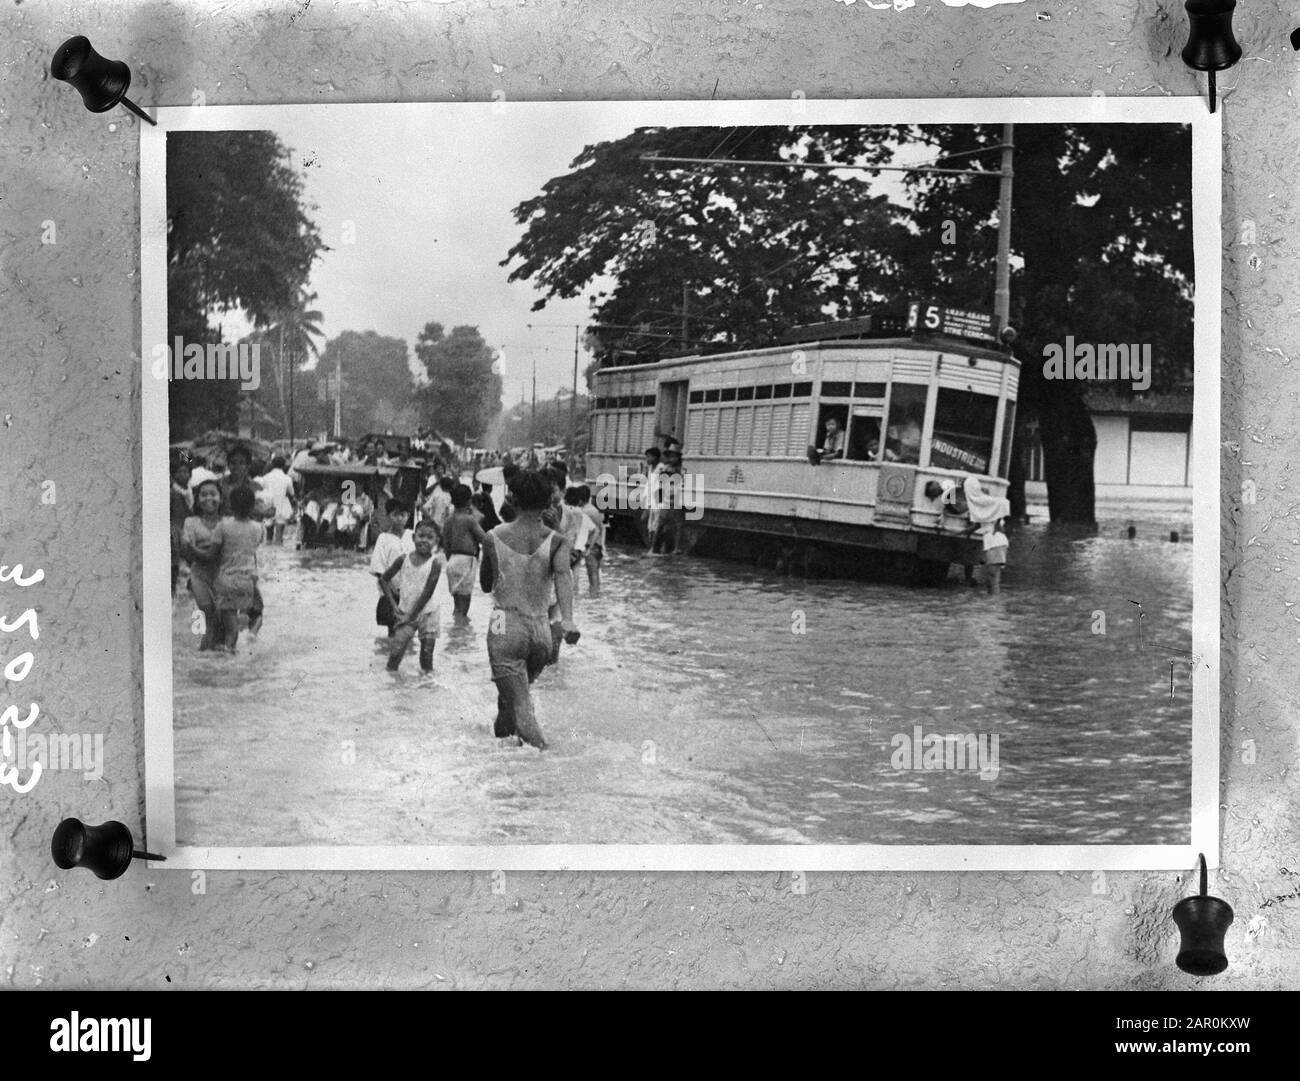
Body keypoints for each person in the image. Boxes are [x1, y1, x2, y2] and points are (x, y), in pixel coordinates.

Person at [479, 470, 579, 749]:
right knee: (509, 701)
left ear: (511, 498)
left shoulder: (492, 536)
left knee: (520, 706)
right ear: (548, 501)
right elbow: (563, 578)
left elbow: (487, 585)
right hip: (541, 631)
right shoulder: (558, 541)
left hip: (503, 623)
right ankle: (508, 764)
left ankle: (549, 761)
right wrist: (568, 620)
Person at [379, 519, 443, 672]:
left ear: (436, 541)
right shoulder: (403, 559)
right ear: (413, 537)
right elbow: (383, 579)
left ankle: (426, 687)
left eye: (430, 537)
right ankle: (391, 687)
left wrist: (410, 616)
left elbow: (427, 593)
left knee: (426, 655)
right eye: (421, 536)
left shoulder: (436, 563)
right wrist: (394, 606)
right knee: (395, 654)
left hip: (428, 613)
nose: (424, 541)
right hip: (405, 612)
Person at [210, 486, 264, 652]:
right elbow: (253, 550)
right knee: (256, 612)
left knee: (229, 630)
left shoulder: (223, 526)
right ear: (252, 506)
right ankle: (250, 636)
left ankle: (229, 657)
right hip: (247, 580)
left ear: (230, 505)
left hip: (226, 580)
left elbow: (213, 554)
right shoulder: (259, 528)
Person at [541, 465, 584, 664]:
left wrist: (557, 527)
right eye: (545, 491)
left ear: (563, 492)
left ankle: (552, 676)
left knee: (555, 633)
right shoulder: (533, 512)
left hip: (559, 577)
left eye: (554, 491)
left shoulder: (574, 515)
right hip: (536, 579)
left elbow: (573, 550)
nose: (549, 496)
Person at [219, 445, 265, 631]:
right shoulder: (220, 485)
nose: (237, 467)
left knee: (252, 598)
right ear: (228, 464)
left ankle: (247, 633)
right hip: (224, 541)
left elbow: (262, 513)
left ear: (248, 465)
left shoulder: (256, 487)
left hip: (245, 542)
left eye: (241, 463)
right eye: (233, 463)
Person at [180, 479, 224, 649]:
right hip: (199, 576)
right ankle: (203, 661)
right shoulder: (191, 522)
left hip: (222, 576)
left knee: (222, 620)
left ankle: (216, 663)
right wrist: (209, 553)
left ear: (221, 498)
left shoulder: (226, 522)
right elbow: (187, 549)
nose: (208, 498)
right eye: (203, 494)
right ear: (197, 499)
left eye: (213, 494)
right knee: (210, 617)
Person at [370, 499, 415, 635]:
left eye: (403, 515)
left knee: (409, 631)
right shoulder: (383, 539)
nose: (399, 519)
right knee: (393, 631)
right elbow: (379, 572)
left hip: (411, 593)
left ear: (408, 516)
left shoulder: (412, 536)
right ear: (389, 516)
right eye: (395, 515)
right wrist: (392, 596)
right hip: (391, 594)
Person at [442, 484, 487, 620]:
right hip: (466, 561)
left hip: (452, 561)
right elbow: (484, 539)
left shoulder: (448, 520)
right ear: (469, 501)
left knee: (457, 603)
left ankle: (456, 632)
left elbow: (446, 544)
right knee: (464, 604)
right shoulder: (469, 520)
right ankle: (461, 631)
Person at [256, 455, 296, 545]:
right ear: (284, 465)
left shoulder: (265, 477)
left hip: (268, 507)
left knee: (268, 537)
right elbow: (292, 493)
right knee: (279, 538)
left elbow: (262, 491)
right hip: (282, 507)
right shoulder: (287, 478)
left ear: (272, 465)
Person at [575, 484, 605, 596]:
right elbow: (601, 529)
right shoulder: (594, 510)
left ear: (581, 499)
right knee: (595, 574)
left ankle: (593, 596)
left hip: (590, 546)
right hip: (598, 546)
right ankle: (596, 595)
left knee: (591, 574)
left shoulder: (584, 512)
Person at [170, 458, 192, 596]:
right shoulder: (172, 493)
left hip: (187, 528)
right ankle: (172, 587)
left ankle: (191, 584)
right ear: (174, 475)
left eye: (186, 472)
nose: (183, 475)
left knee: (192, 559)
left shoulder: (190, 492)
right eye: (180, 472)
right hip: (175, 528)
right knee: (175, 560)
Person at [641, 446, 663, 550]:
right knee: (648, 523)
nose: (647, 459)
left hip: (659, 499)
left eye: (648, 457)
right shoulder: (650, 468)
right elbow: (649, 485)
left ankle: (653, 548)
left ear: (655, 457)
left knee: (655, 524)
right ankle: (651, 546)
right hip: (650, 500)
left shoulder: (661, 468)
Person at [423, 476, 455, 541]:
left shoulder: (436, 495)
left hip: (432, 524)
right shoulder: (449, 498)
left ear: (440, 486)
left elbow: (424, 508)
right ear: (451, 487)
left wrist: (431, 519)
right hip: (443, 526)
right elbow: (448, 513)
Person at [983, 521, 1009, 595]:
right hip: (993, 545)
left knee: (992, 576)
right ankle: (992, 598)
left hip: (996, 544)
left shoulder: (996, 514)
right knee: (990, 577)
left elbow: (1000, 528)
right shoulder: (982, 514)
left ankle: (994, 601)